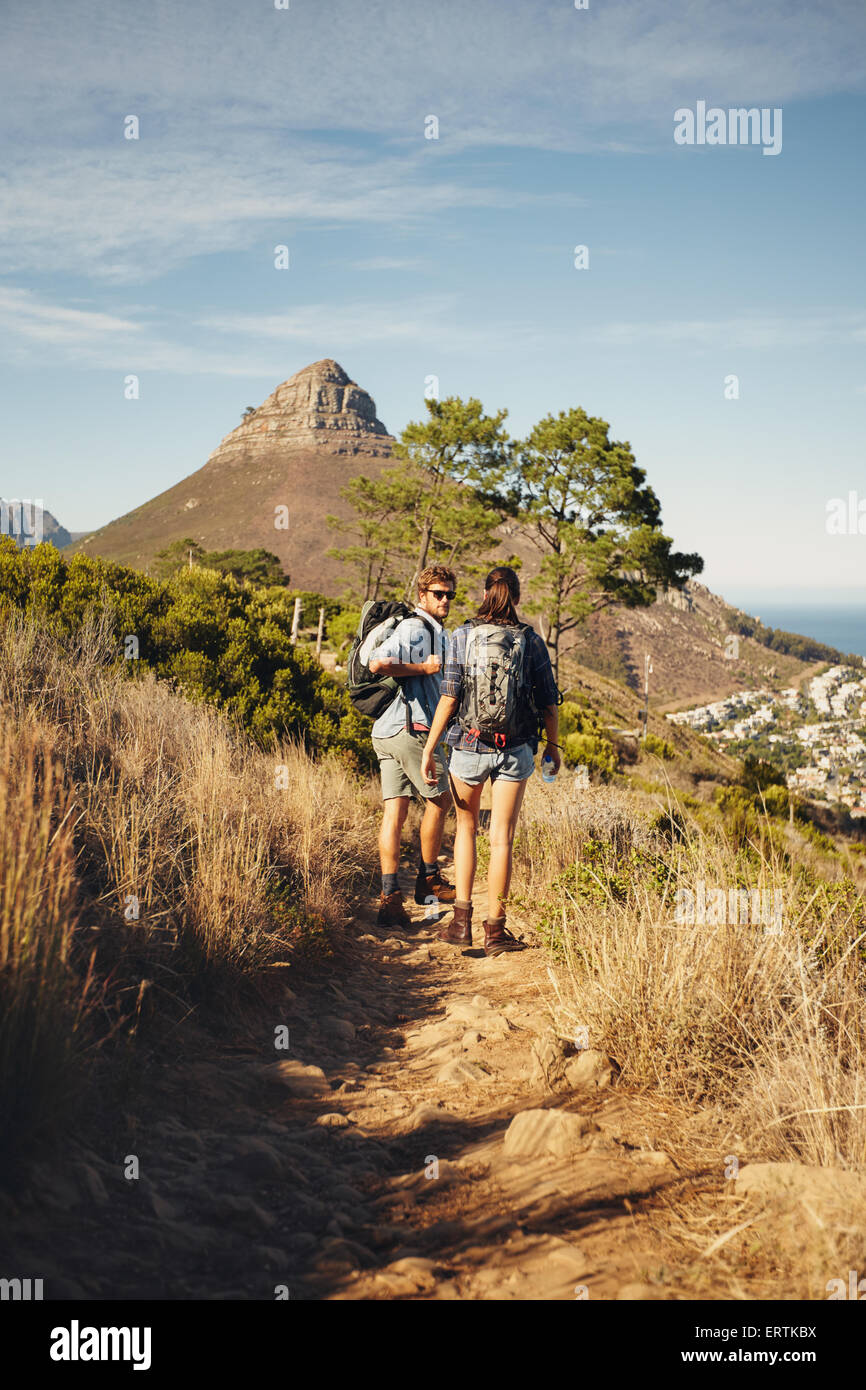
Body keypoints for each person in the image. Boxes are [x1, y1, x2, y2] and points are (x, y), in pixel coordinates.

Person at [420, 565, 561, 956]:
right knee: (502, 840)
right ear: (516, 598)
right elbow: (549, 700)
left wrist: (431, 748)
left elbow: (449, 697)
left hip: (467, 747)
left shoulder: (462, 635)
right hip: (515, 750)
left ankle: (460, 924)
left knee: (466, 832)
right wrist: (552, 746)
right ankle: (496, 933)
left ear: (485, 595)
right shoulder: (530, 640)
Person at [368, 565, 457, 927]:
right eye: (439, 593)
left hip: (386, 732)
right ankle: (428, 878)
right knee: (441, 799)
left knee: (395, 813)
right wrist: (424, 670)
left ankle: (390, 900)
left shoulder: (433, 631)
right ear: (422, 596)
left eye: (450, 594)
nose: (446, 600)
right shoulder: (415, 629)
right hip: (412, 731)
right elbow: (378, 663)